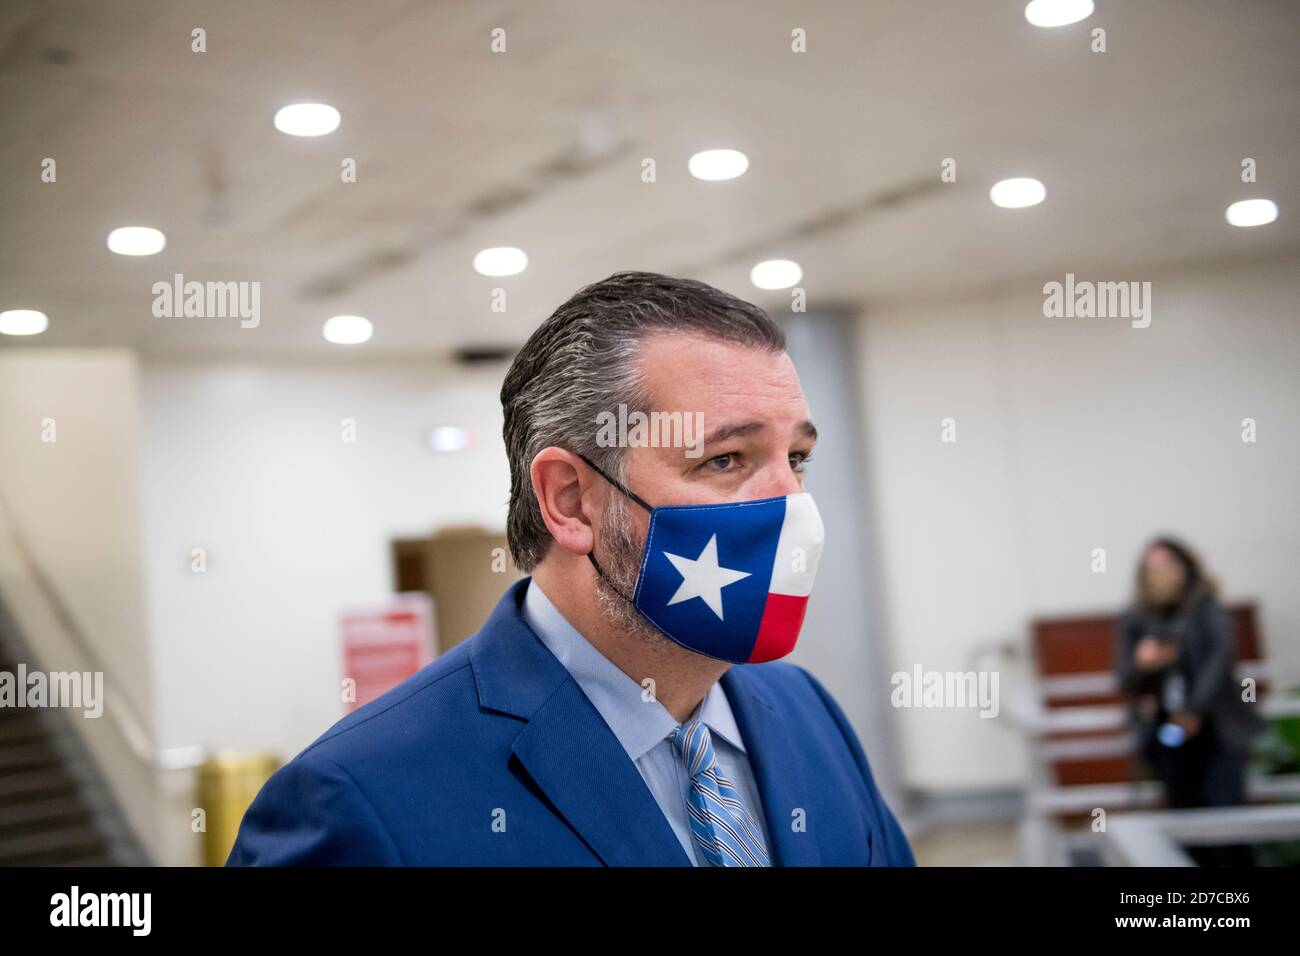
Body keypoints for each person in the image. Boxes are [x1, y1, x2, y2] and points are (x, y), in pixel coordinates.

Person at [227, 271, 914, 866]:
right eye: (725, 460)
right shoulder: (362, 797)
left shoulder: (805, 712)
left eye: (796, 459)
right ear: (570, 500)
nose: (792, 507)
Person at [1114, 537, 1266, 865]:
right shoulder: (1136, 617)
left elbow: (1220, 661)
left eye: (1167, 565)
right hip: (1167, 731)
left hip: (1215, 727)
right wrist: (1144, 663)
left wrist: (1194, 709)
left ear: (1185, 566)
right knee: (1182, 812)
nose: (1160, 575)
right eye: (1151, 568)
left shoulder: (1206, 608)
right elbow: (1123, 676)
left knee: (1227, 812)